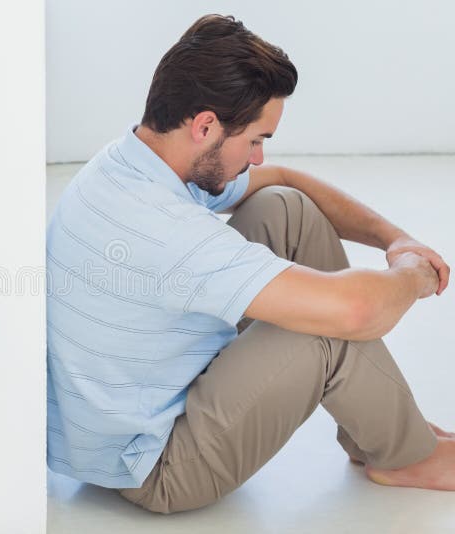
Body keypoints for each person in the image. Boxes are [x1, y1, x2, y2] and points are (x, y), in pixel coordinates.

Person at [46, 14, 454, 513]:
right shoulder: (164, 230)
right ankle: (407, 456)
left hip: (126, 415)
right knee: (321, 325)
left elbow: (282, 179)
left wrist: (396, 239)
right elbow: (355, 312)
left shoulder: (134, 160)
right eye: (256, 139)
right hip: (153, 466)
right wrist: (414, 274)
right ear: (205, 126)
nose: (259, 158)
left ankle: (379, 429)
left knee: (287, 208)